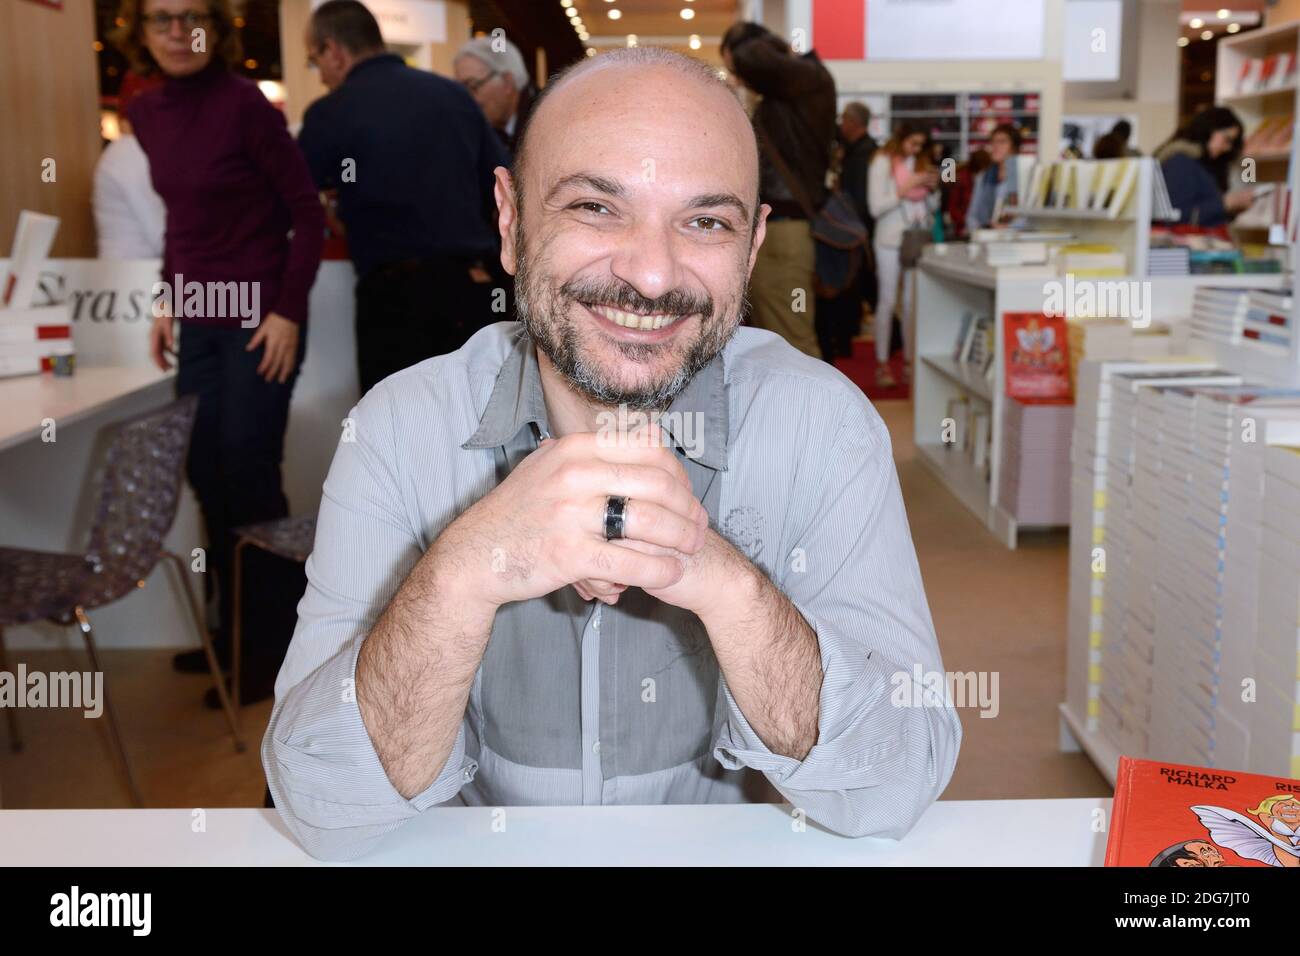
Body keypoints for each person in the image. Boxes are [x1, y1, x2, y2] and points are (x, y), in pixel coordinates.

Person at [262, 47, 960, 862]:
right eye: (595, 207)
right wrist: (461, 573)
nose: (653, 275)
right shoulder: (398, 428)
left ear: (752, 248)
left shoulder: (824, 425)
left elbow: (895, 786)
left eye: (707, 221)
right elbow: (322, 806)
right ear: (511, 222)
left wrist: (723, 581)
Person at [115, 0, 325, 702]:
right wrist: (168, 300)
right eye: (161, 19)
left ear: (216, 27)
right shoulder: (146, 112)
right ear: (141, 33)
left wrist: (288, 310)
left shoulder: (245, 106)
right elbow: (181, 223)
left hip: (259, 321)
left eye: (192, 16)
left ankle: (273, 653)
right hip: (200, 322)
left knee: (248, 475)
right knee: (205, 471)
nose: (179, 32)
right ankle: (228, 637)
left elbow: (306, 214)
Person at [298, 0, 511, 395]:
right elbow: (503, 183)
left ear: (334, 50)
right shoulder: (453, 95)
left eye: (315, 60)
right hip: (472, 287)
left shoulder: (330, 113)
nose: (321, 74)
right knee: (478, 415)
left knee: (395, 423)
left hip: (392, 300)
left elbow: (298, 201)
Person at [720, 22, 835, 361]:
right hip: (777, 230)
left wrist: (741, 48)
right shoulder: (792, 91)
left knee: (793, 343)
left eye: (735, 68)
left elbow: (754, 57)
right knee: (773, 341)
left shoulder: (808, 79)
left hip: (785, 231)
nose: (738, 78)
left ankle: (811, 400)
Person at [868, 122, 938, 388]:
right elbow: (875, 207)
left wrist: (932, 189)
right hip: (888, 239)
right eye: (913, 143)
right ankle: (882, 363)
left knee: (911, 304)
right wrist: (907, 186)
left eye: (921, 145)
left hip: (916, 238)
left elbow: (932, 207)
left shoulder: (921, 162)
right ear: (901, 138)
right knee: (886, 301)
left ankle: (910, 362)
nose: (916, 149)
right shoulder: (882, 162)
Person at [93, 72, 166, 259]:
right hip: (134, 272)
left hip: (138, 270)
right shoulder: (131, 151)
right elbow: (161, 234)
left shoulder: (134, 150)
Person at [1154, 107, 1253, 228]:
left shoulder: (1204, 164)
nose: (1228, 148)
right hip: (1183, 238)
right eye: (1227, 139)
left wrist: (1231, 209)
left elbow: (1202, 213)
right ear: (1209, 129)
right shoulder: (1181, 162)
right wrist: (1224, 204)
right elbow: (1175, 217)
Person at [453, 36, 537, 157]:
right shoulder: (472, 129)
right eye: (460, 89)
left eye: (472, 86)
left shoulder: (543, 122)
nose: (464, 100)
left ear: (507, 83)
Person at [966, 123, 1022, 231]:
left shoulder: (1022, 176)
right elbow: (972, 216)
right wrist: (981, 231)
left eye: (1002, 142)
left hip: (1014, 236)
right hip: (986, 235)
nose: (995, 146)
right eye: (993, 142)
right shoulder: (983, 177)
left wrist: (1009, 228)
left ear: (1014, 147)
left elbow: (1029, 216)